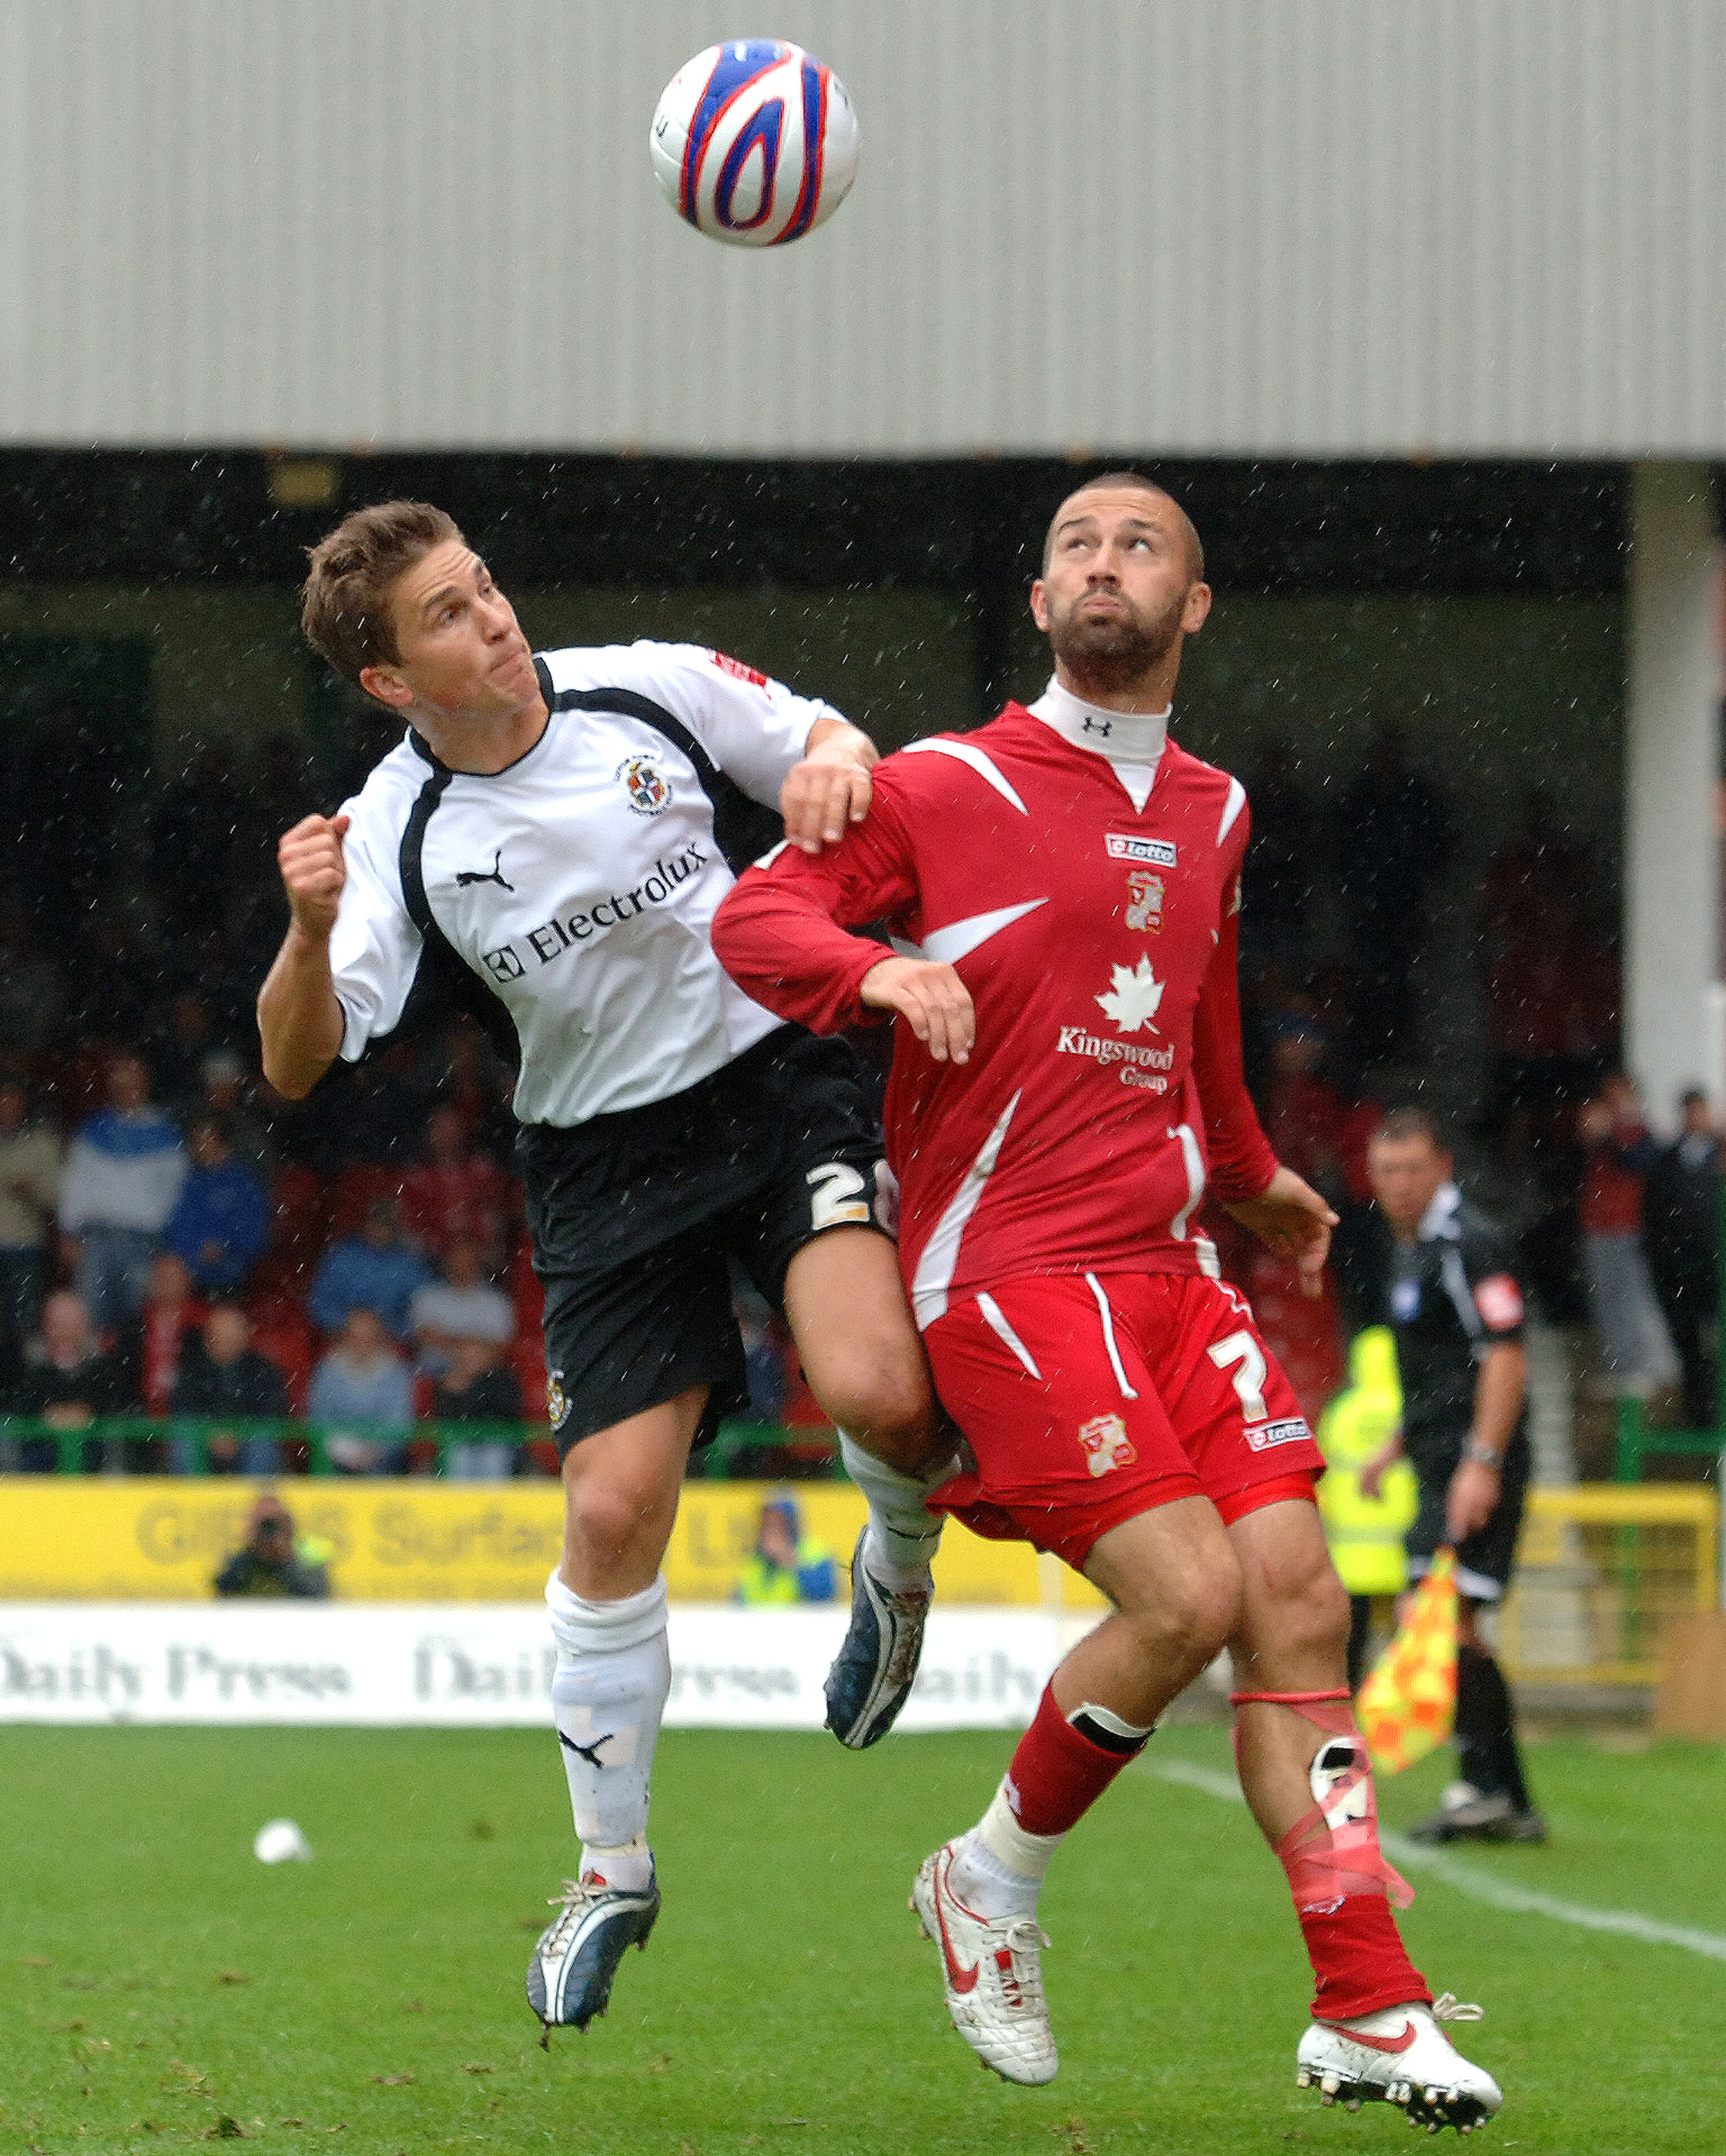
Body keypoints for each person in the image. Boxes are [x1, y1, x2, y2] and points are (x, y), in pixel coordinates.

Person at [712, 474, 1500, 2126]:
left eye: (1138, 545)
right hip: (1008, 1266)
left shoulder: (1216, 807)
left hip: (1170, 1266)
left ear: (1191, 605)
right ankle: (984, 1879)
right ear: (1037, 598)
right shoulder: (943, 783)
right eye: (1074, 544)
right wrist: (879, 967)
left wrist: (1252, 1169)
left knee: (1299, 1601)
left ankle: (1365, 2001)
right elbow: (758, 915)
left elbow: (1194, 1020)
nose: (1101, 562)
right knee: (1187, 1595)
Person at [257, 500, 946, 2039]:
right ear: (389, 681)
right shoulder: (395, 830)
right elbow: (297, 1057)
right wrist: (305, 930)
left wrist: (833, 761)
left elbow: (826, 742)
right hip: (603, 1159)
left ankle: (897, 1569)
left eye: (485, 586)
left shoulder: (645, 684)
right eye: (446, 614)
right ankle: (607, 1872)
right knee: (611, 1512)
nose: (493, 618)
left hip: (776, 1083)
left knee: (883, 1397)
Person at [1359, 1107, 1545, 1846]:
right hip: (1439, 1460)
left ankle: (1490, 1791)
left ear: (1442, 1166)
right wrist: (1396, 1445)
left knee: (1443, 1617)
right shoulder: (1410, 1249)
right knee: (1442, 1620)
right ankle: (1496, 1792)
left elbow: (1504, 1354)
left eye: (1412, 1168)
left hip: (1473, 1462)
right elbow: (1442, 1368)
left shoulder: (1472, 1242)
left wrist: (1482, 1461)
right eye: (1386, 1171)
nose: (1399, 1183)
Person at [57, 1053, 187, 1341]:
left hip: (145, 1242)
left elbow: (177, 1194)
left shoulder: (165, 1133)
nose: (126, 1090)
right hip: (97, 1239)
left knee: (138, 1324)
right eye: (119, 1083)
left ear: (145, 1084)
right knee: (89, 1319)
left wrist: (172, 1246)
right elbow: (75, 1184)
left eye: (132, 1083)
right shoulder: (93, 1129)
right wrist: (68, 1231)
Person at [1576, 1072, 1677, 1400]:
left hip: (1626, 1228)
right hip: (1598, 1228)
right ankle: (1622, 1368)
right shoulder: (1601, 1133)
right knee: (1607, 1301)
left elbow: (1634, 1162)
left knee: (1632, 1298)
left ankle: (1646, 1367)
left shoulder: (1639, 1133)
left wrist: (1609, 1134)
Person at [1641, 1087, 1722, 1430]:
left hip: (1716, 1266)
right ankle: (1698, 1411)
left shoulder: (1719, 1156)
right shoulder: (1667, 1160)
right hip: (1679, 1269)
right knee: (1688, 1342)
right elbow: (1654, 1213)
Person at [7, 1289, 129, 1471]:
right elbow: (18, 1411)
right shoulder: (27, 1366)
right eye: (58, 1324)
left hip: (94, 1471)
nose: (64, 1332)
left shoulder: (102, 1368)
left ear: (84, 1326)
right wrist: (48, 1416)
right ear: (46, 1325)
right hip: (36, 1472)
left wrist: (85, 1415)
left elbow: (114, 1411)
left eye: (71, 1324)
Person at [170, 1302, 292, 1474]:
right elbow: (183, 1408)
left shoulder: (263, 1370)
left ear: (244, 1337)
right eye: (219, 1337)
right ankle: (192, 1490)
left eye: (230, 1338)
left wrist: (240, 1433)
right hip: (204, 1437)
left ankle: (254, 1491)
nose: (225, 1343)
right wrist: (210, 1433)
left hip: (248, 1440)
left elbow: (274, 1411)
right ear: (207, 1339)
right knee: (185, 1437)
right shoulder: (192, 1369)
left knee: (262, 1441)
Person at [164, 1113, 270, 1297]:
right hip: (193, 1280)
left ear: (222, 1143)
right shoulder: (191, 1182)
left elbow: (255, 1233)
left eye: (205, 1141)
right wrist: (196, 1249)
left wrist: (225, 1247)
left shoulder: (243, 1183)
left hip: (232, 1278)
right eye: (196, 1142)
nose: (199, 1148)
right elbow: (176, 1227)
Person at [0, 1077, 62, 1388]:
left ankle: (21, 1392)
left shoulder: (41, 1143)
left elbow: (57, 1194)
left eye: (12, 1099)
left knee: (23, 1328)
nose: (6, 1107)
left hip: (24, 1248)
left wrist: (30, 1188)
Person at [307, 1197, 432, 1342]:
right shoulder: (343, 1254)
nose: (380, 1229)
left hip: (388, 1341)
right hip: (343, 1336)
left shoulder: (410, 1262)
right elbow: (318, 1301)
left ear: (395, 1228)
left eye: (386, 1224)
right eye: (376, 1222)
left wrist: (386, 1327)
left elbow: (422, 1311)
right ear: (366, 1223)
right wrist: (349, 1323)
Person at [307, 1305, 414, 1472]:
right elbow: (318, 1418)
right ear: (345, 1338)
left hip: (384, 1461)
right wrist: (343, 1450)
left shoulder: (397, 1374)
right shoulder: (327, 1371)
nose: (362, 1343)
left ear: (381, 1339)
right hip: (334, 1457)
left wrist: (374, 1451)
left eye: (369, 1337)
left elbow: (399, 1424)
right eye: (355, 1336)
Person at [409, 1237, 515, 1377]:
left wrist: (448, 1340)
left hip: (483, 1371)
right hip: (435, 1370)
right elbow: (424, 1336)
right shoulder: (427, 1296)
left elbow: (499, 1347)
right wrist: (471, 1344)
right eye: (457, 1260)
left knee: (475, 1358)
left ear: (478, 1263)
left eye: (467, 1261)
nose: (461, 1267)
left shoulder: (497, 1301)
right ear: (447, 1263)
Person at [429, 1335, 526, 1478]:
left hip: (498, 1441)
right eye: (467, 1356)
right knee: (459, 1454)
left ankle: (495, 1494)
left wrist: (473, 1386)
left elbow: (504, 1413)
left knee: (494, 1456)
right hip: (462, 1442)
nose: (472, 1360)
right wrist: (453, 1390)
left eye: (476, 1355)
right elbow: (445, 1418)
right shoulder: (452, 1381)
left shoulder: (503, 1380)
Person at [213, 1493, 331, 1598]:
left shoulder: (308, 1555)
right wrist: (250, 1550)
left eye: (274, 1523)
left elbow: (316, 1596)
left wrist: (285, 1559)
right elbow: (223, 1589)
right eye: (264, 1524)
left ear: (287, 1523)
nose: (269, 1530)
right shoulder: (243, 1557)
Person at [735, 1491, 837, 1604]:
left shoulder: (815, 1552)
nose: (772, 1532)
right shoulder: (753, 1561)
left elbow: (824, 1596)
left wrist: (789, 1560)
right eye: (767, 1524)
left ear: (791, 1525)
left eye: (778, 1524)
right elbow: (740, 1602)